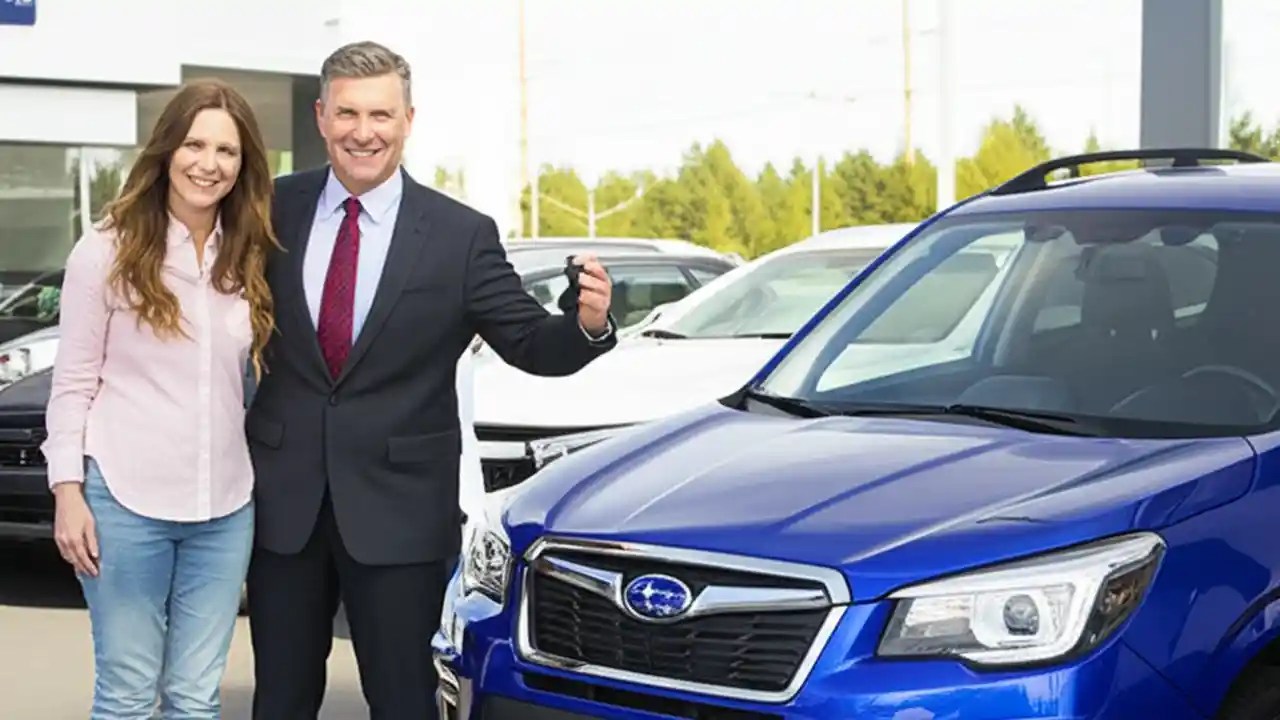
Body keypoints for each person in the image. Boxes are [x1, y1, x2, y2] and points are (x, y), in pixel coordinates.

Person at [245, 40, 616, 719]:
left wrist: (585, 323)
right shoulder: (269, 211)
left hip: (401, 515)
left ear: (409, 120)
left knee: (404, 701)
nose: (365, 132)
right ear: (322, 115)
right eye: (349, 113)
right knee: (280, 700)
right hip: (283, 508)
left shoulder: (459, 234)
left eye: (381, 115)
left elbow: (532, 342)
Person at [42, 78, 279, 718]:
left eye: (226, 151)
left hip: (225, 510)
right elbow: (72, 382)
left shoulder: (251, 254)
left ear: (244, 163)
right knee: (125, 696)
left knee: (196, 700)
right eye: (194, 144)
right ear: (167, 149)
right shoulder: (106, 249)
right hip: (123, 504)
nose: (209, 164)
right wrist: (68, 491)